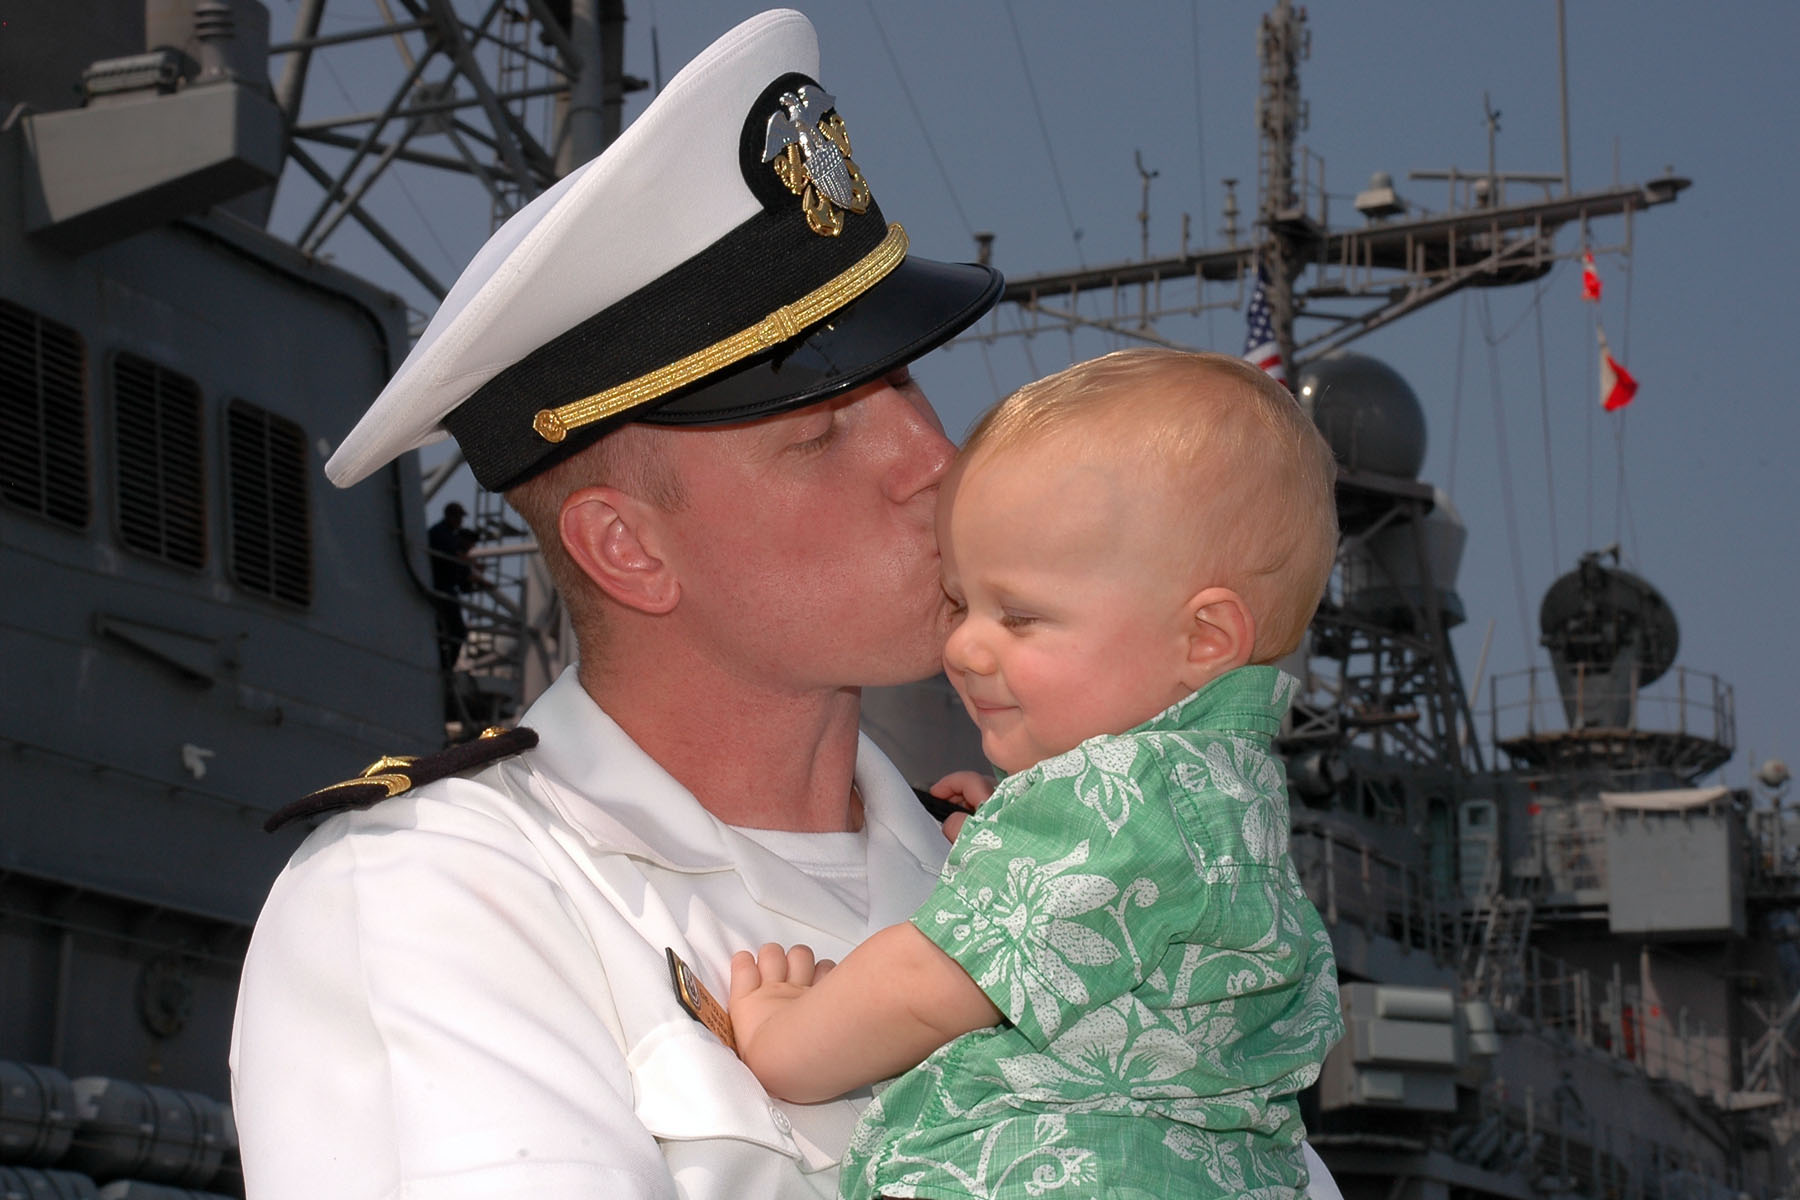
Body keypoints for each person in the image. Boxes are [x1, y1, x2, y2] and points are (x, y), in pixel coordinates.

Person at [230, 12, 1346, 1200]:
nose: (933, 458)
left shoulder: (1041, 870)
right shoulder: (439, 901)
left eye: (909, 382)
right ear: (628, 549)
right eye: (820, 433)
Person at [727, 349, 1345, 1200]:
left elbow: (924, 988)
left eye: (1019, 615)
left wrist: (783, 1040)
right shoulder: (1225, 796)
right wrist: (1017, 833)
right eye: (961, 602)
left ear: (1204, 639)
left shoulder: (1117, 808)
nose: (964, 647)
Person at [427, 501, 471, 668]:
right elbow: (450, 556)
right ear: (451, 516)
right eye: (459, 517)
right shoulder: (441, 534)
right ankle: (446, 666)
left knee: (446, 628)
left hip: (445, 586)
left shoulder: (445, 533)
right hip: (442, 587)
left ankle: (444, 663)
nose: (461, 521)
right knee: (456, 631)